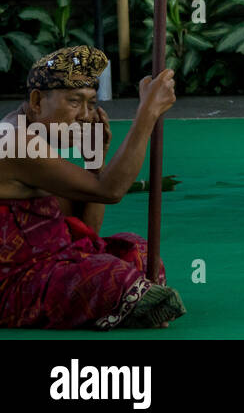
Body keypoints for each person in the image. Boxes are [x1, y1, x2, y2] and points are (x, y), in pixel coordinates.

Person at [0, 45, 184, 329]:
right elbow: (110, 191)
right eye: (75, 101)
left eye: (91, 103)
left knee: (137, 250)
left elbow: (85, 234)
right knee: (110, 277)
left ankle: (131, 299)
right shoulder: (16, 142)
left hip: (49, 264)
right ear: (37, 101)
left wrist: (93, 162)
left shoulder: (32, 133)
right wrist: (147, 113)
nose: (86, 115)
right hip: (12, 285)